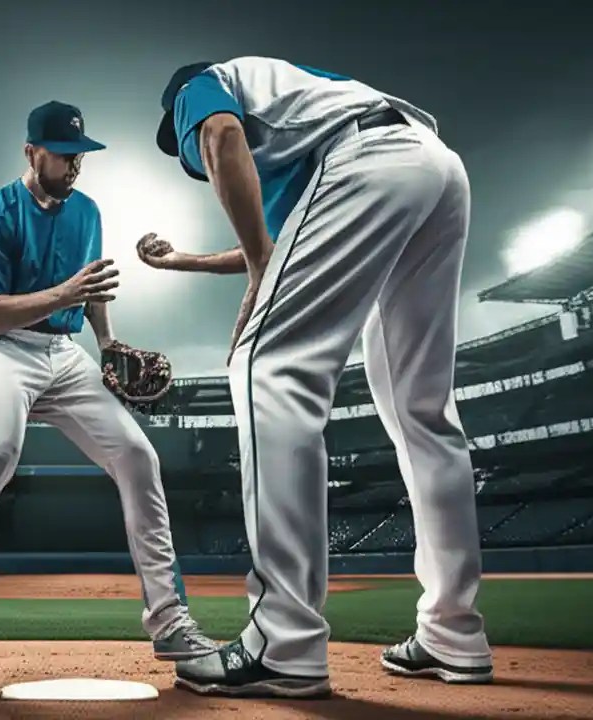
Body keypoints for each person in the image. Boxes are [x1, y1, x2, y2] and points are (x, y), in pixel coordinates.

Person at [138, 57, 494, 697]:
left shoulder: (200, 86)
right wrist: (186, 261)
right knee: (423, 411)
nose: (183, 148)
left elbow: (220, 137)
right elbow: (280, 247)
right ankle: (454, 632)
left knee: (266, 364)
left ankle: (286, 641)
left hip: (371, 163)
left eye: (177, 138)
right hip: (433, 165)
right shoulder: (302, 110)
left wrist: (255, 270)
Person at [0, 100, 216, 684]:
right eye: (64, 156)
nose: (74, 166)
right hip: (5, 351)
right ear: (31, 152)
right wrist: (61, 295)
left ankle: (172, 623)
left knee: (138, 456)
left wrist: (109, 344)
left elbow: (92, 288)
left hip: (66, 355)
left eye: (80, 156)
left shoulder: (87, 210)